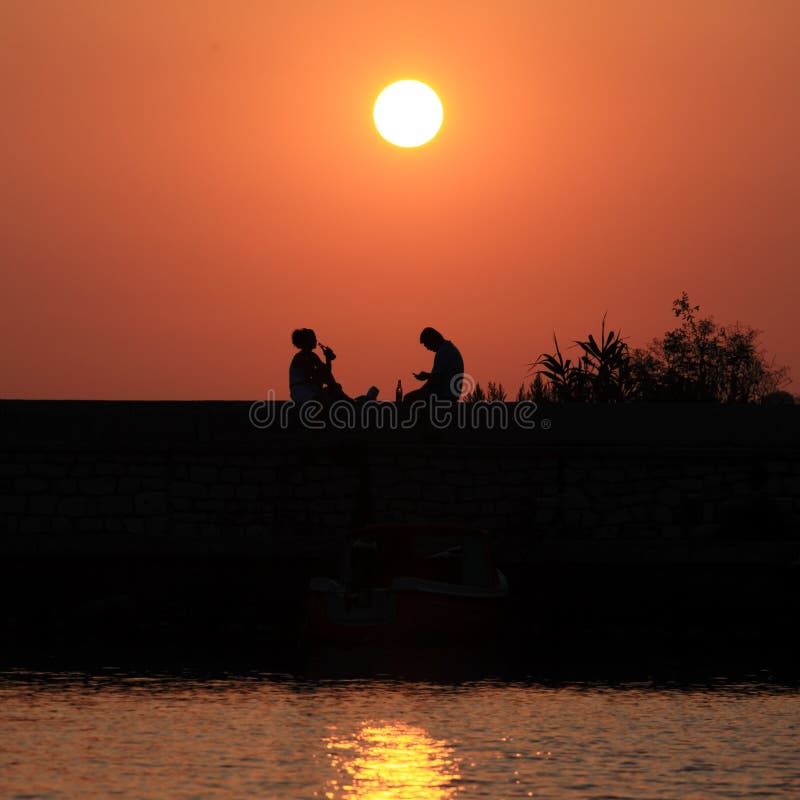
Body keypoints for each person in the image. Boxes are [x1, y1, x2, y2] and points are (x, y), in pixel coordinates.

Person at [403, 327, 464, 406]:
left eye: (427, 344)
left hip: (444, 394)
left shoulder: (443, 352)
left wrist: (423, 385)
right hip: (450, 393)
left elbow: (437, 379)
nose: (428, 348)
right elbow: (439, 376)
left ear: (432, 340)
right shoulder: (449, 349)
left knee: (408, 398)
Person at [288, 328, 345, 405]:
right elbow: (315, 375)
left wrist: (328, 359)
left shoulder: (312, 356)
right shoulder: (300, 358)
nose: (316, 340)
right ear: (307, 341)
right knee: (332, 390)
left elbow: (326, 372)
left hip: (310, 389)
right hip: (301, 391)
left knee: (335, 388)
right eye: (313, 338)